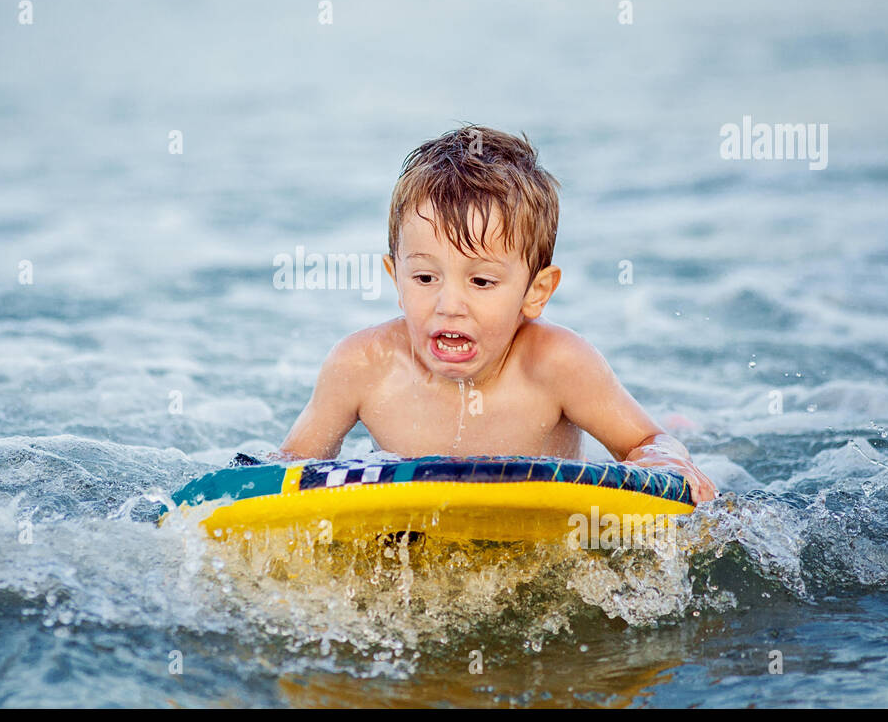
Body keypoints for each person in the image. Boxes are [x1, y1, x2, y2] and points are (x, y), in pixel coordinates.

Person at [279, 125, 718, 503]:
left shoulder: (556, 364)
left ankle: (698, 425)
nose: (449, 305)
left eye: (482, 282)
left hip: (546, 516)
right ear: (395, 278)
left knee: (681, 432)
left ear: (535, 292)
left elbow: (645, 442)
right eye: (425, 278)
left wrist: (669, 458)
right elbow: (286, 471)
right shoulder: (361, 366)